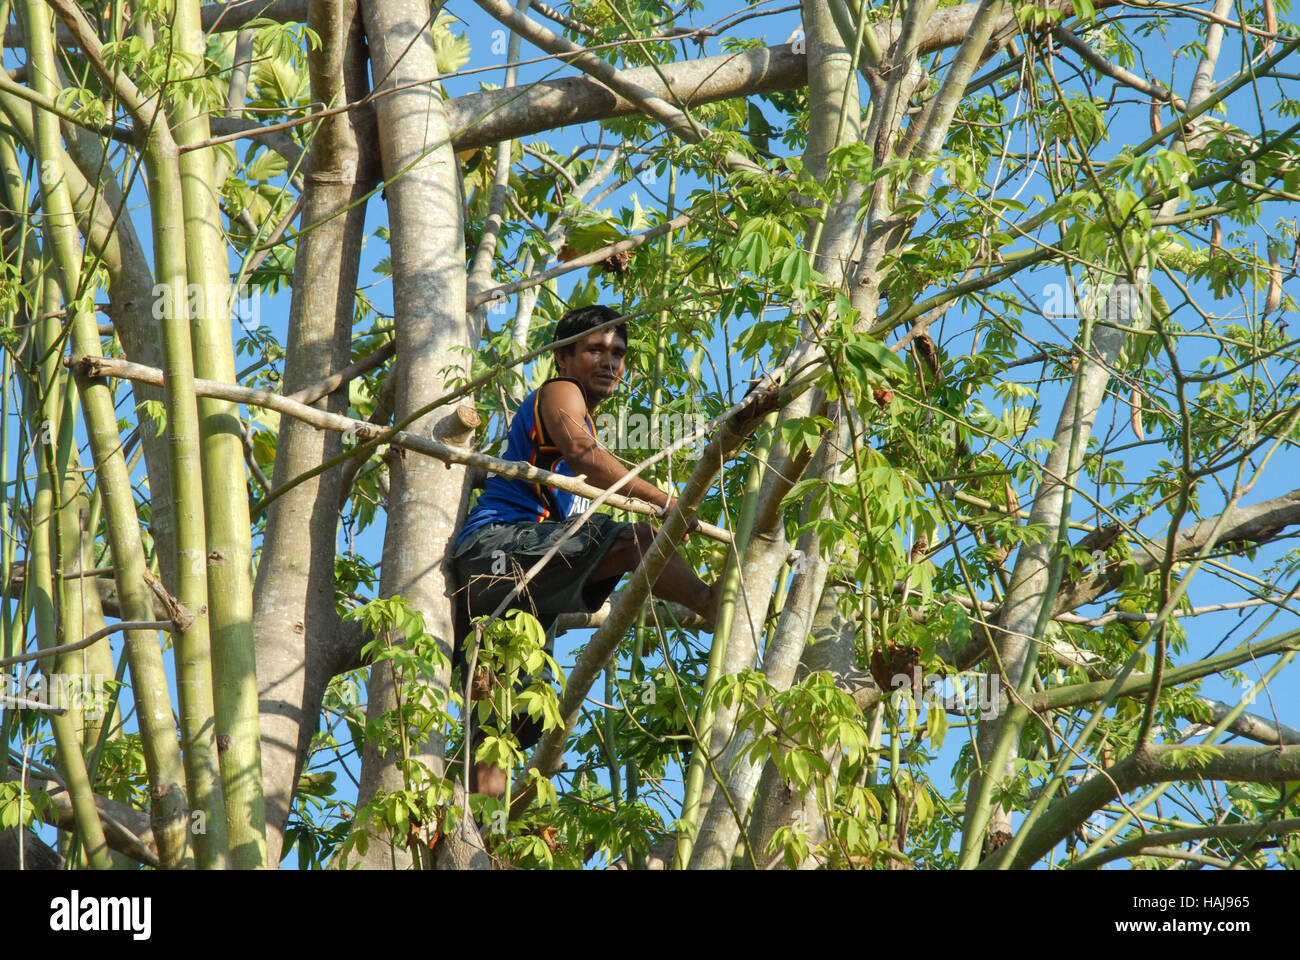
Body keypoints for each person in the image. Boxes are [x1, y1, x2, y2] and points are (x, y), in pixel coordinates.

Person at [451, 304, 720, 796]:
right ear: (562, 358)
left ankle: (478, 836)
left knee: (509, 720)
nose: (609, 361)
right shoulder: (560, 393)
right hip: (499, 549)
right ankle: (709, 604)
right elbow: (583, 454)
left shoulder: (573, 411)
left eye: (618, 353)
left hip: (521, 595)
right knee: (635, 541)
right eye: (595, 350)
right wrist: (666, 503)